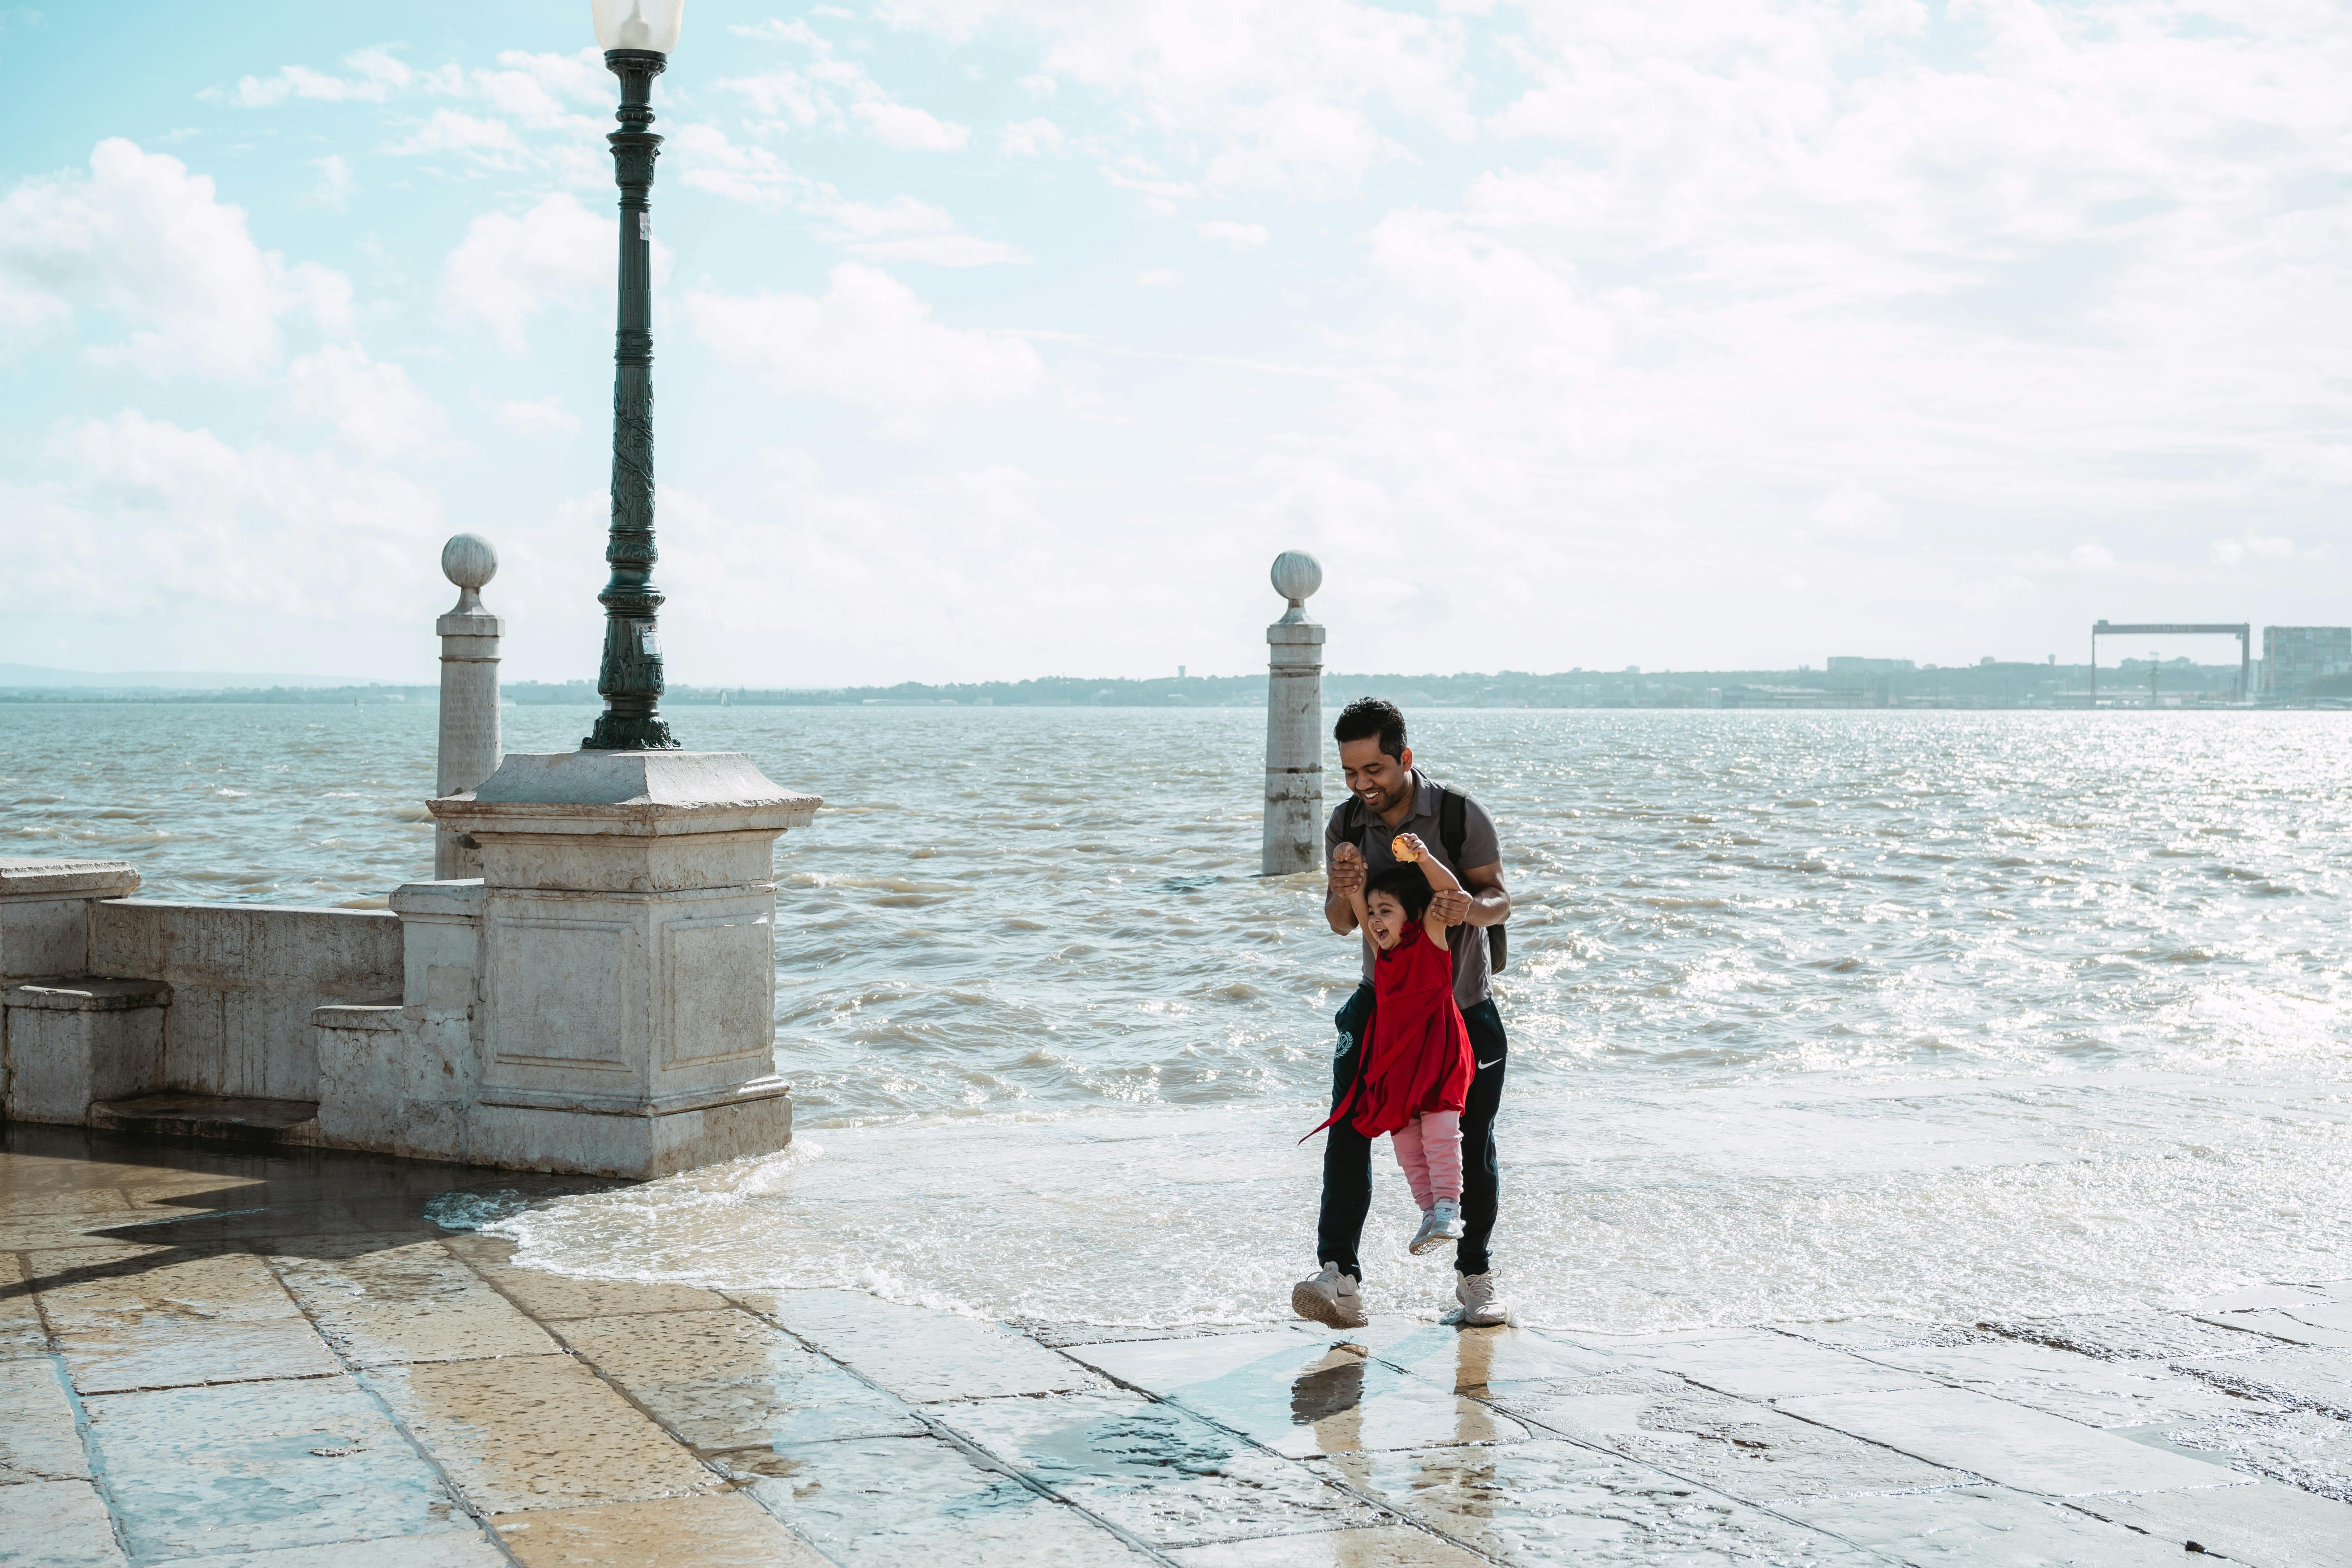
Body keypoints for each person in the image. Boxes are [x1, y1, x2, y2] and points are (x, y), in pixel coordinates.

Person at [1294, 698, 1513, 1330]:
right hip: (1380, 1007)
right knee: (1349, 1128)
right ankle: (1339, 1277)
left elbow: (1501, 899)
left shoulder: (1455, 814)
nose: (1363, 785)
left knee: (1473, 1142)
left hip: (1463, 1008)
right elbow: (1341, 924)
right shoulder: (1346, 822)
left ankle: (1475, 1279)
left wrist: (1462, 908)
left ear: (1405, 758)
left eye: (1375, 770)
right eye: (1350, 772)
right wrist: (1343, 882)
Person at [1303, 841, 1476, 1256]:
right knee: (1405, 1143)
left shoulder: (1431, 941)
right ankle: (1427, 1213)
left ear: (1411, 917)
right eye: (1375, 911)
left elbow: (1449, 892)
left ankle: (1449, 1208)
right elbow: (1356, 901)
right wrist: (1350, 869)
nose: (1376, 919)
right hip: (1396, 1055)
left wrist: (1422, 857)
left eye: (1387, 911)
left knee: (1439, 1133)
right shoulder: (1383, 951)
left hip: (1437, 1050)